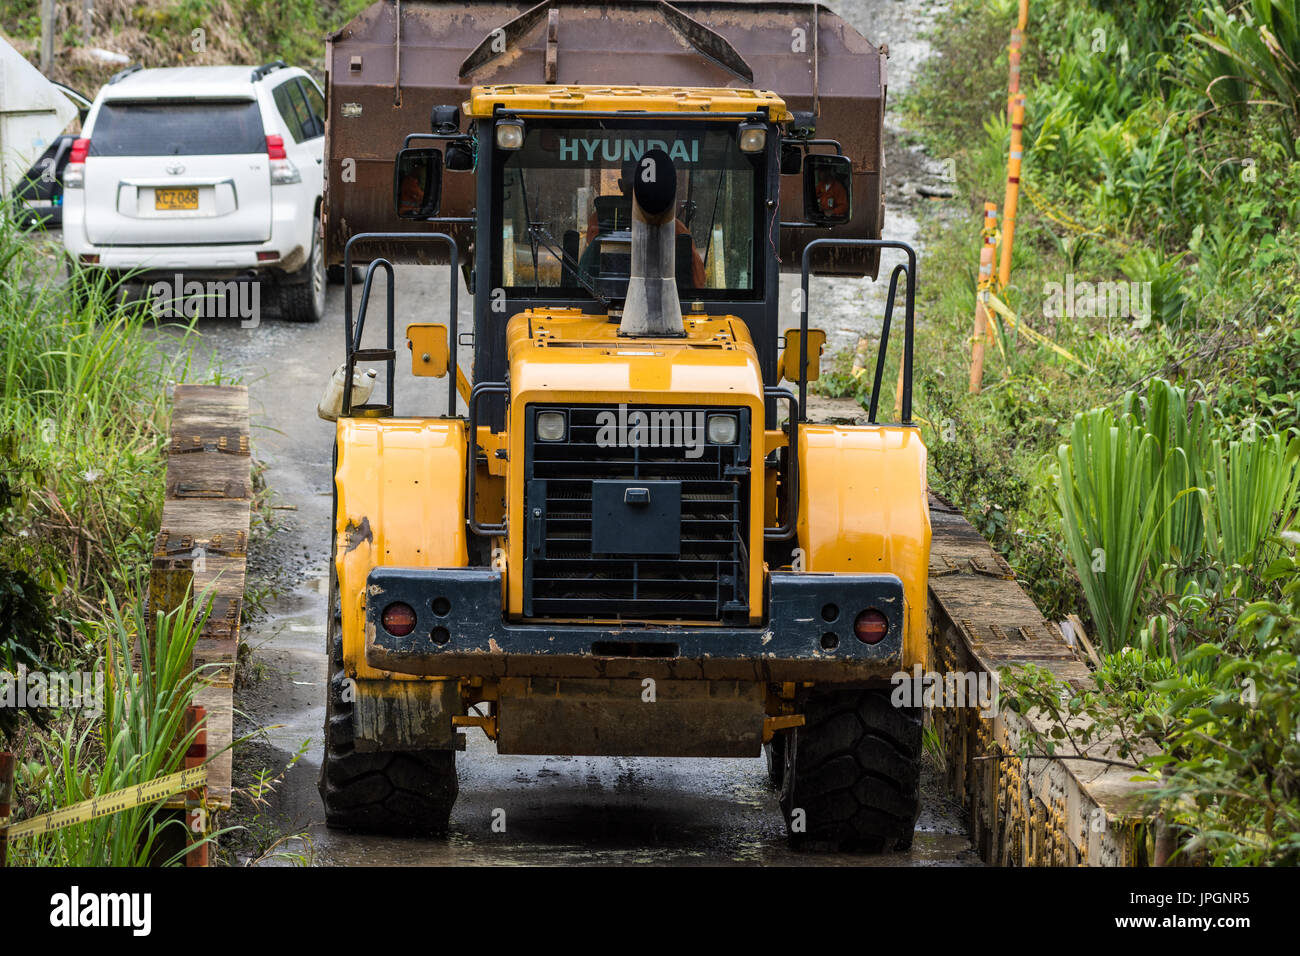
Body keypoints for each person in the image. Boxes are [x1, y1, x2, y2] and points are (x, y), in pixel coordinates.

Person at [580, 157, 707, 288]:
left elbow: (584, 277)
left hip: (604, 299)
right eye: (634, 187)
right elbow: (697, 282)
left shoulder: (599, 220)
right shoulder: (674, 227)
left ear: (620, 185)